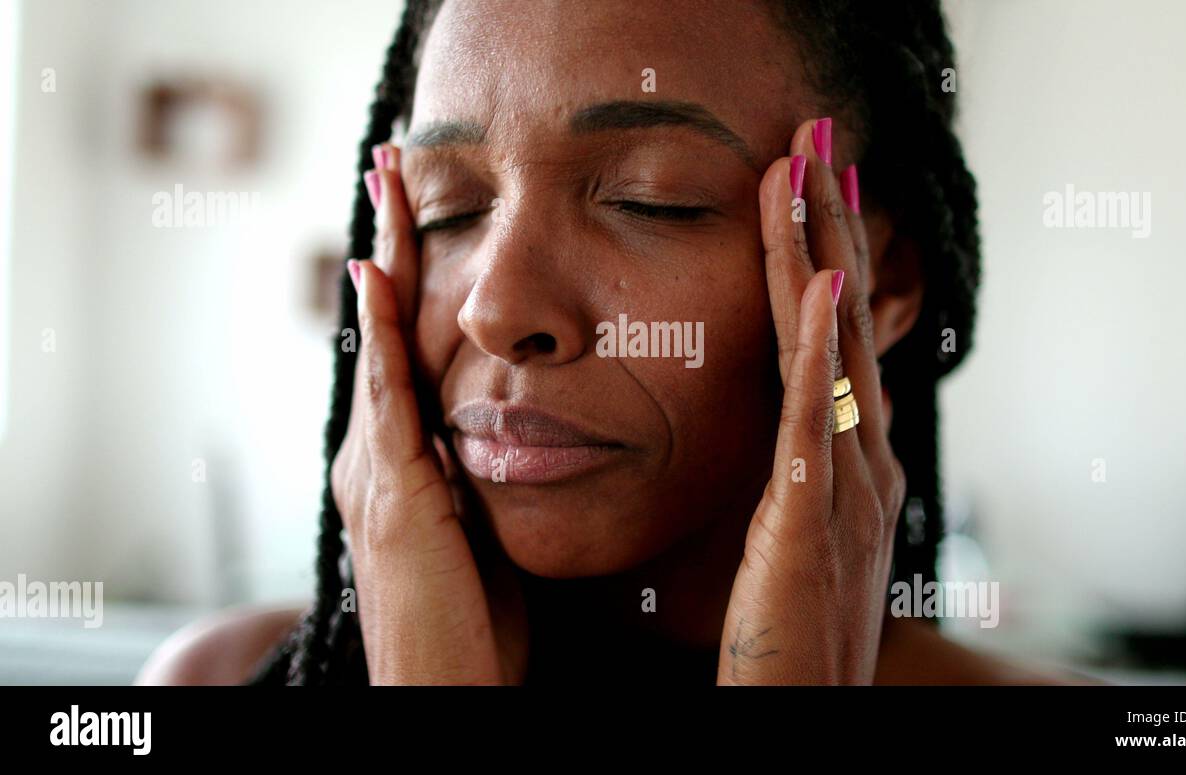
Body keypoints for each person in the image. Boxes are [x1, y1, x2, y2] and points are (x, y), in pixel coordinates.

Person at [138, 0, 1074, 685]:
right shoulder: (211, 680)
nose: (494, 309)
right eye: (446, 208)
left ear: (882, 280)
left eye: (650, 198)